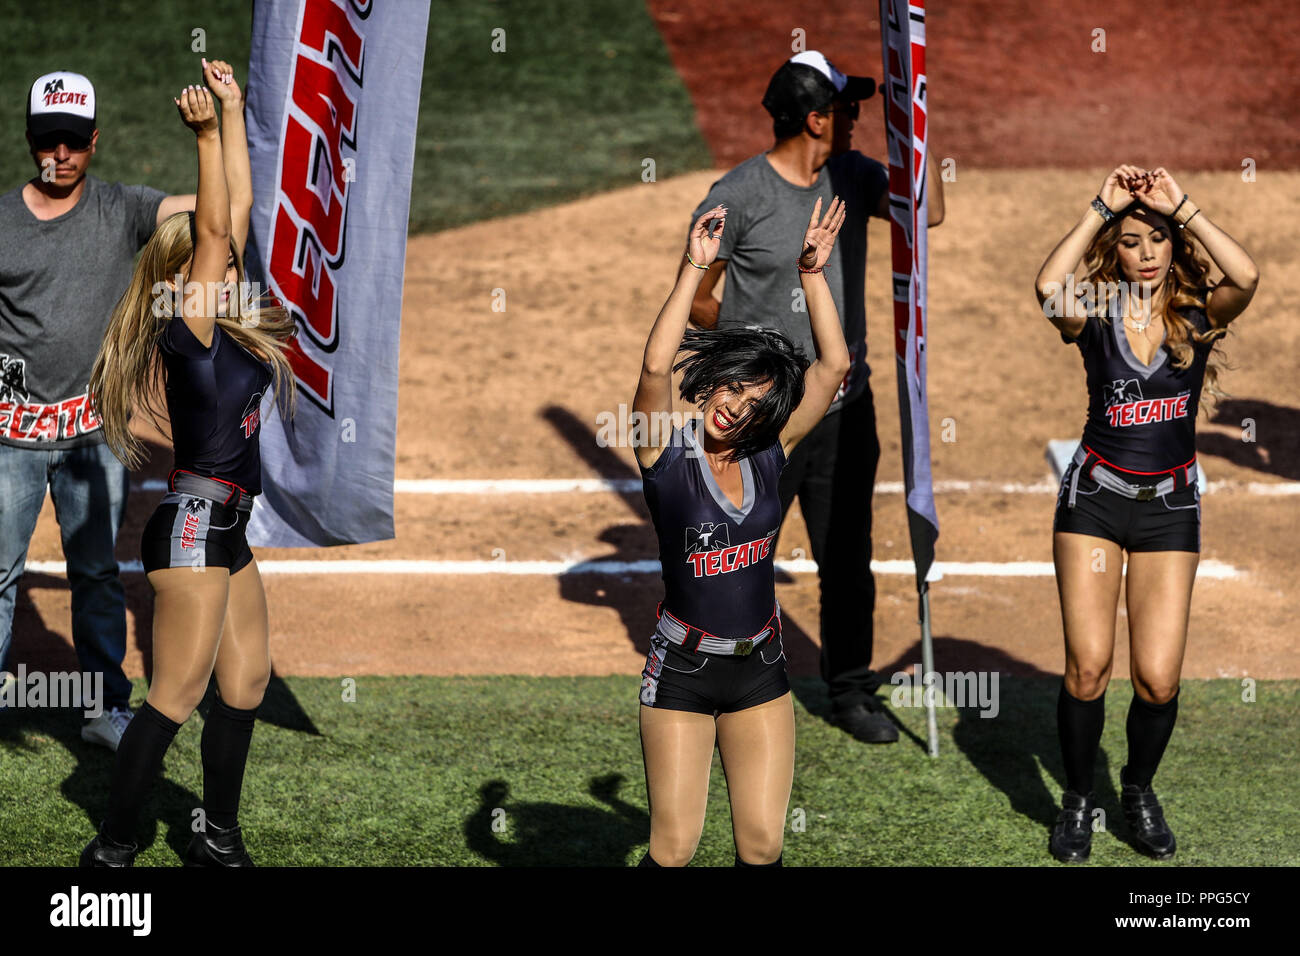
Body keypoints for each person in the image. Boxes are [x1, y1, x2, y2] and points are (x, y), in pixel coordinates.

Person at [689, 51, 944, 744]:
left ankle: (850, 689)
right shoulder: (736, 195)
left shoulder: (854, 179)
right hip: (763, 419)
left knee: (846, 553)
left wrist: (910, 125)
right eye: (848, 108)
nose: (857, 118)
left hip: (844, 409)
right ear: (815, 117)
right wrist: (753, 354)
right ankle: (728, 679)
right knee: (743, 555)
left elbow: (928, 213)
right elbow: (698, 300)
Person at [79, 60, 298, 867]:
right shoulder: (191, 332)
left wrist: (236, 111)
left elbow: (231, 217)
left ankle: (218, 836)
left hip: (225, 529)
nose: (236, 268)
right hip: (194, 528)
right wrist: (205, 137)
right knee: (172, 699)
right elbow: (213, 231)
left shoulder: (221, 323)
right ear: (184, 286)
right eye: (220, 269)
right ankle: (116, 845)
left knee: (244, 686)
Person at [1034, 165, 1258, 862]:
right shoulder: (1092, 312)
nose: (1148, 252)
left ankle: (1136, 788)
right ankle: (1077, 802)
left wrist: (1182, 207)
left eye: (1158, 239)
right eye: (1132, 241)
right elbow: (1046, 288)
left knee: (1158, 678)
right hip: (1094, 503)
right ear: (1116, 249)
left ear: (1174, 244)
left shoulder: (1199, 314)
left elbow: (1246, 278)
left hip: (1169, 510)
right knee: (1088, 670)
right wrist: (1099, 207)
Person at [636, 195, 850, 867]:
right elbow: (651, 371)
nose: (737, 405)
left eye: (757, 402)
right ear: (712, 381)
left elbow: (834, 368)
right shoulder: (663, 457)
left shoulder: (769, 455)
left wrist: (812, 276)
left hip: (761, 667)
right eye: (734, 387)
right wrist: (692, 273)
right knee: (674, 849)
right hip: (682, 672)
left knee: (762, 844)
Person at [0, 70, 197, 748]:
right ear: (30, 139)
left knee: (94, 573)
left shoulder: (125, 210)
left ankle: (104, 708)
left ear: (95, 139)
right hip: (8, 440)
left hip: (92, 434)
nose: (61, 155)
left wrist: (216, 135)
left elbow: (213, 219)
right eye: (49, 141)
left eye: (75, 141)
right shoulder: (1, 221)